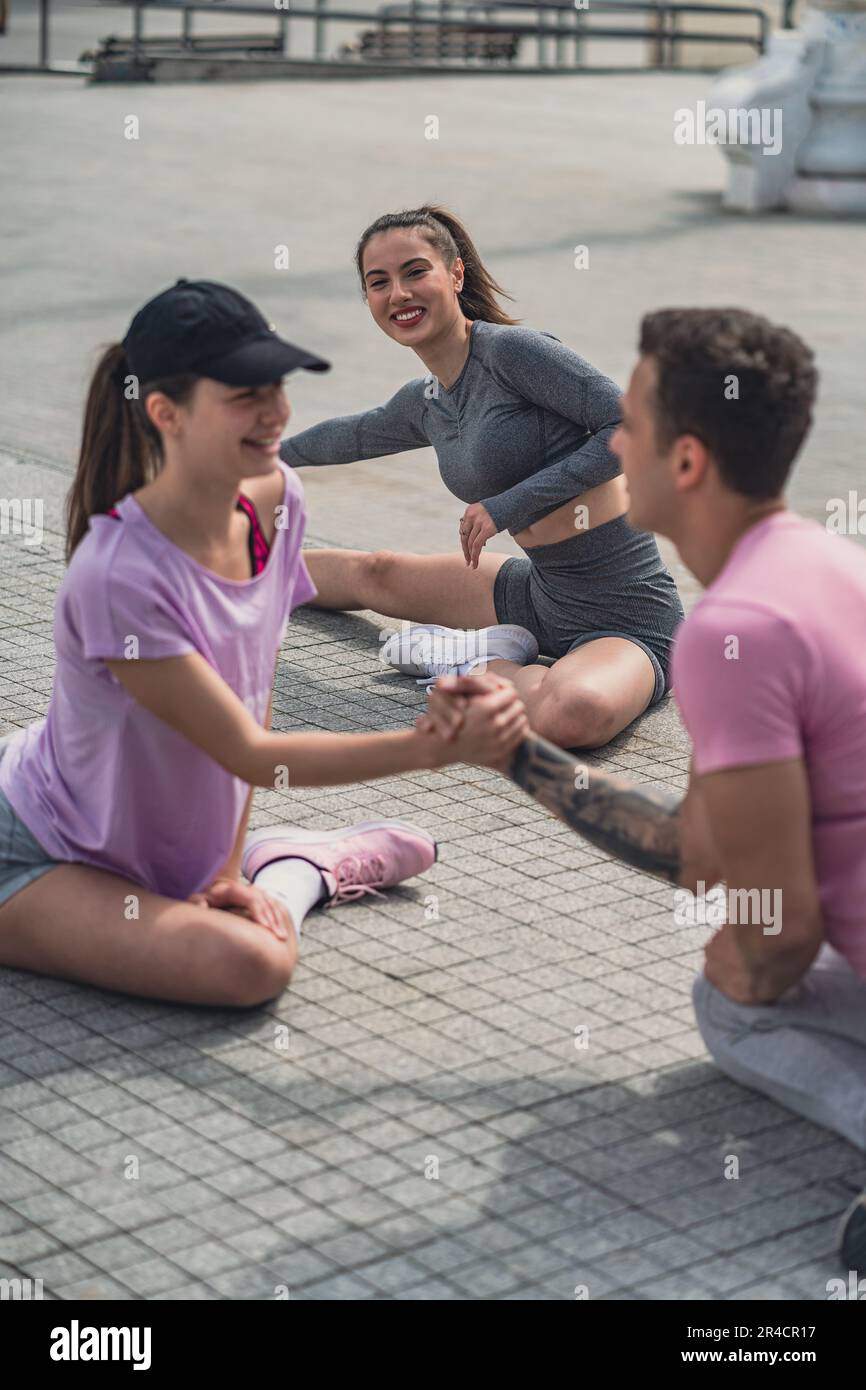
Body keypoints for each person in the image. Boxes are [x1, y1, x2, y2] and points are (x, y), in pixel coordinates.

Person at [423, 306, 866, 1273]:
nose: (614, 444)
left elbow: (770, 920)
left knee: (732, 1003)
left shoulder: (734, 631)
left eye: (634, 424)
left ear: (688, 461)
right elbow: (707, 845)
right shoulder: (832, 565)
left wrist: (752, 956)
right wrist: (520, 754)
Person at [0, 279, 529, 1008]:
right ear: (166, 413)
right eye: (245, 395)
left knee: (229, 935)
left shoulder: (274, 500)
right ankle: (299, 871)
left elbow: (254, 693)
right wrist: (431, 746)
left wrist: (219, 872)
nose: (276, 412)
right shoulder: (120, 575)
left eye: (277, 386)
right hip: (37, 850)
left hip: (128, 826)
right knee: (251, 967)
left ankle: (255, 857)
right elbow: (251, 752)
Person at [279, 205, 684, 750]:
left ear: (455, 274)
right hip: (539, 595)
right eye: (379, 282)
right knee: (377, 573)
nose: (398, 293)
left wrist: (506, 506)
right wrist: (257, 458)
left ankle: (477, 663)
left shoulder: (511, 354)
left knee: (574, 714)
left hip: (626, 617)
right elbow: (350, 436)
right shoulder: (427, 401)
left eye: (415, 272)